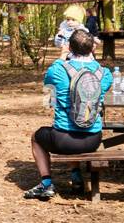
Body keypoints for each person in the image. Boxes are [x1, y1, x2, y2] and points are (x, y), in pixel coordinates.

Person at [24, 29, 113, 200]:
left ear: (70, 47)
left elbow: (48, 88)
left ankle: (46, 184)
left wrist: (61, 55)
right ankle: (75, 174)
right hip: (93, 139)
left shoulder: (57, 69)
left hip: (64, 140)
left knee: (36, 137)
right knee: (79, 123)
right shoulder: (105, 73)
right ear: (92, 48)